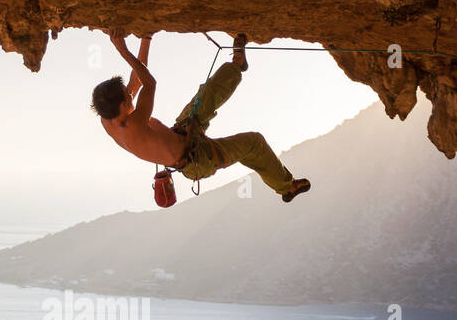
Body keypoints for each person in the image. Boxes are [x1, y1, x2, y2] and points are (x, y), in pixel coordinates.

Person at [92, 31, 311, 202]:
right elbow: (149, 82)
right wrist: (122, 50)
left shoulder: (108, 117)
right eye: (128, 97)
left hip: (184, 132)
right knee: (254, 143)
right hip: (198, 159)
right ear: (122, 106)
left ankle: (237, 64)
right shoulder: (134, 127)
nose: (131, 95)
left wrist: (146, 38)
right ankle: (287, 187)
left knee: (209, 93)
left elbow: (137, 80)